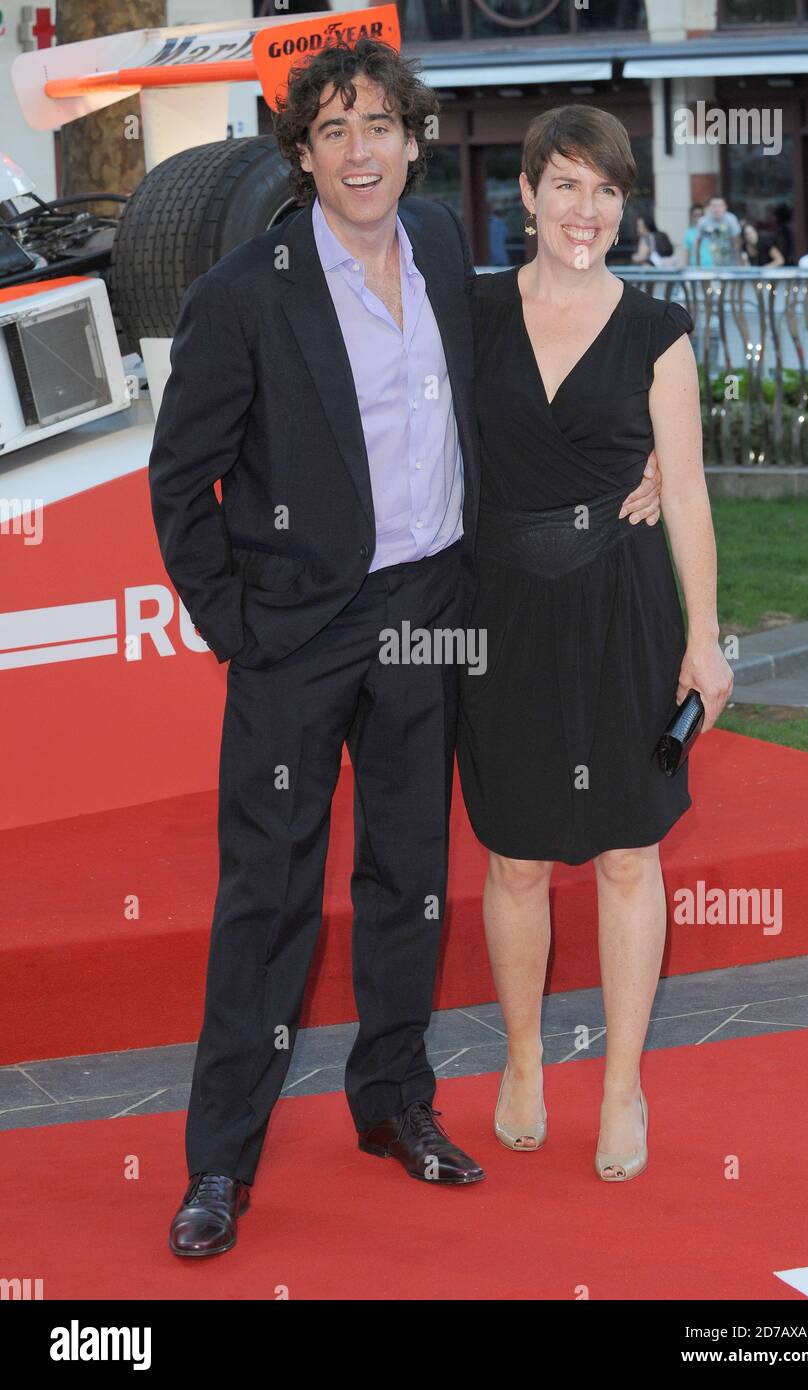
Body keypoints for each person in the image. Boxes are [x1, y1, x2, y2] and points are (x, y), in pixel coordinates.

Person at [148, 41, 663, 1256]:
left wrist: (633, 463)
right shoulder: (242, 292)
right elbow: (181, 484)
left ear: (413, 138)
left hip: (431, 613)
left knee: (408, 880)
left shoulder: (438, 246)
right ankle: (220, 1163)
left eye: (379, 123)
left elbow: (530, 373)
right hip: (296, 633)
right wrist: (241, 631)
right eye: (334, 131)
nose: (361, 149)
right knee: (268, 898)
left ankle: (393, 1104)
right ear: (302, 153)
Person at [455, 105, 733, 1179]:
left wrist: (702, 641)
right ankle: (522, 1059)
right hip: (502, 616)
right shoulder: (470, 314)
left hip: (621, 614)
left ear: (625, 205)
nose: (585, 209)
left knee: (628, 851)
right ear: (524, 196)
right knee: (514, 857)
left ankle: (621, 1084)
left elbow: (691, 494)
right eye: (563, 185)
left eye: (605, 190)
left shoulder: (657, 331)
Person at [695, 195, 742, 267]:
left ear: (725, 207)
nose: (717, 209)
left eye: (719, 206)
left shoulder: (731, 220)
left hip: (730, 264)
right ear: (709, 207)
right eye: (714, 206)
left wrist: (739, 264)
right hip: (709, 265)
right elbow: (698, 243)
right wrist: (698, 265)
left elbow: (737, 243)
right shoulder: (703, 222)